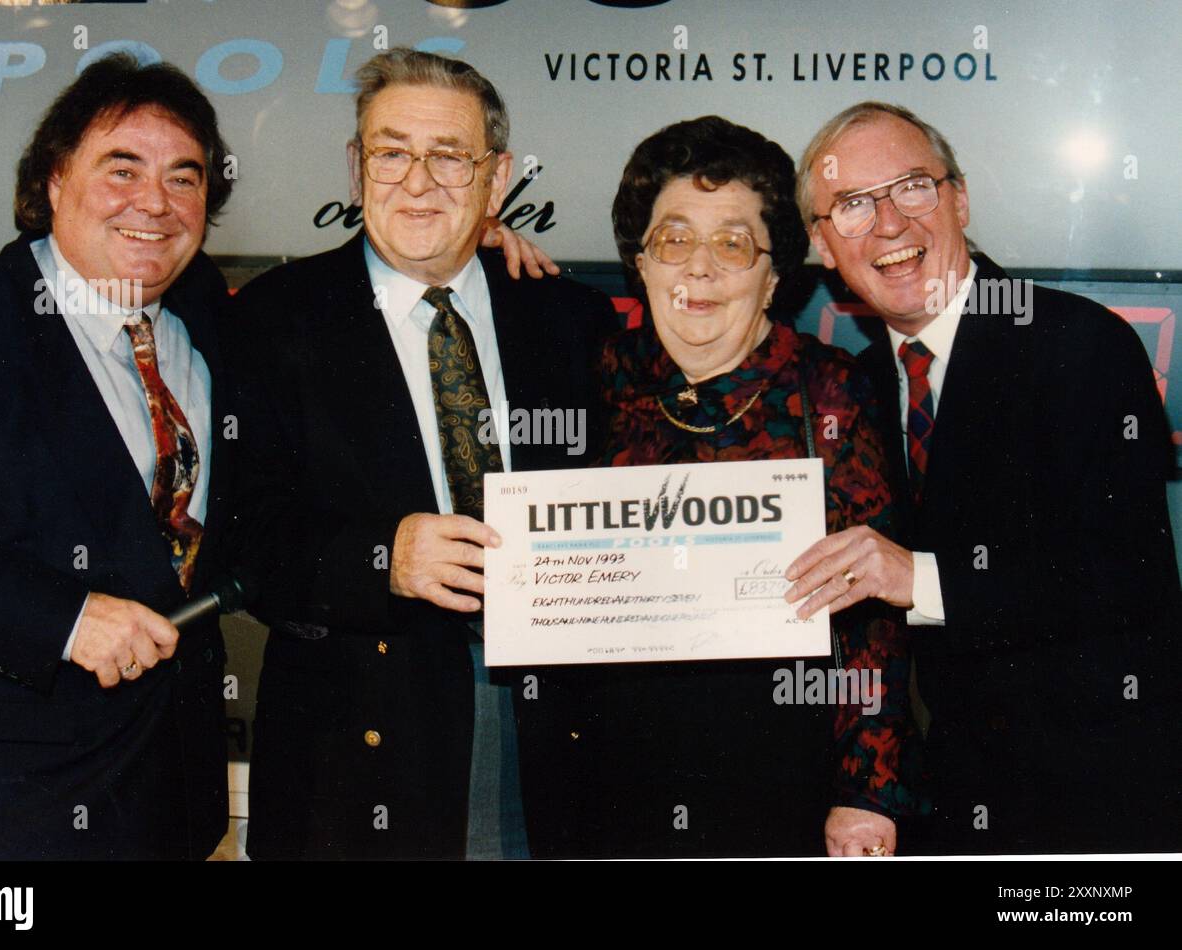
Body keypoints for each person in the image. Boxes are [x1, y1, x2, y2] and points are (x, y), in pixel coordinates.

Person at [229, 48, 616, 860]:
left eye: (449, 156)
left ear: (497, 176)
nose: (417, 181)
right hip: (356, 757)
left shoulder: (568, 319)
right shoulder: (271, 319)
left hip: (546, 740)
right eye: (391, 152)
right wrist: (383, 560)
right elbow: (241, 542)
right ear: (355, 164)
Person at [515, 116, 922, 859]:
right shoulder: (586, 377)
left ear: (774, 275)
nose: (698, 269)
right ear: (640, 261)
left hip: (781, 780)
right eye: (674, 239)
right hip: (599, 784)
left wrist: (865, 796)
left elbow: (871, 627)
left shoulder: (831, 392)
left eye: (733, 243)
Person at [785, 101, 1182, 854]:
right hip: (942, 809)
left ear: (959, 199)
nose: (890, 225)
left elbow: (1126, 578)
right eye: (852, 206)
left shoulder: (1078, 344)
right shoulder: (860, 385)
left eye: (912, 187)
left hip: (1089, 815)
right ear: (822, 245)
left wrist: (920, 578)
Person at [0, 54, 236, 859]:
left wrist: (483, 249)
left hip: (173, 803)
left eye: (185, 178)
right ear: (51, 179)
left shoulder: (206, 310)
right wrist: (67, 620)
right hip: (0, 814)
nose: (155, 203)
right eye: (122, 169)